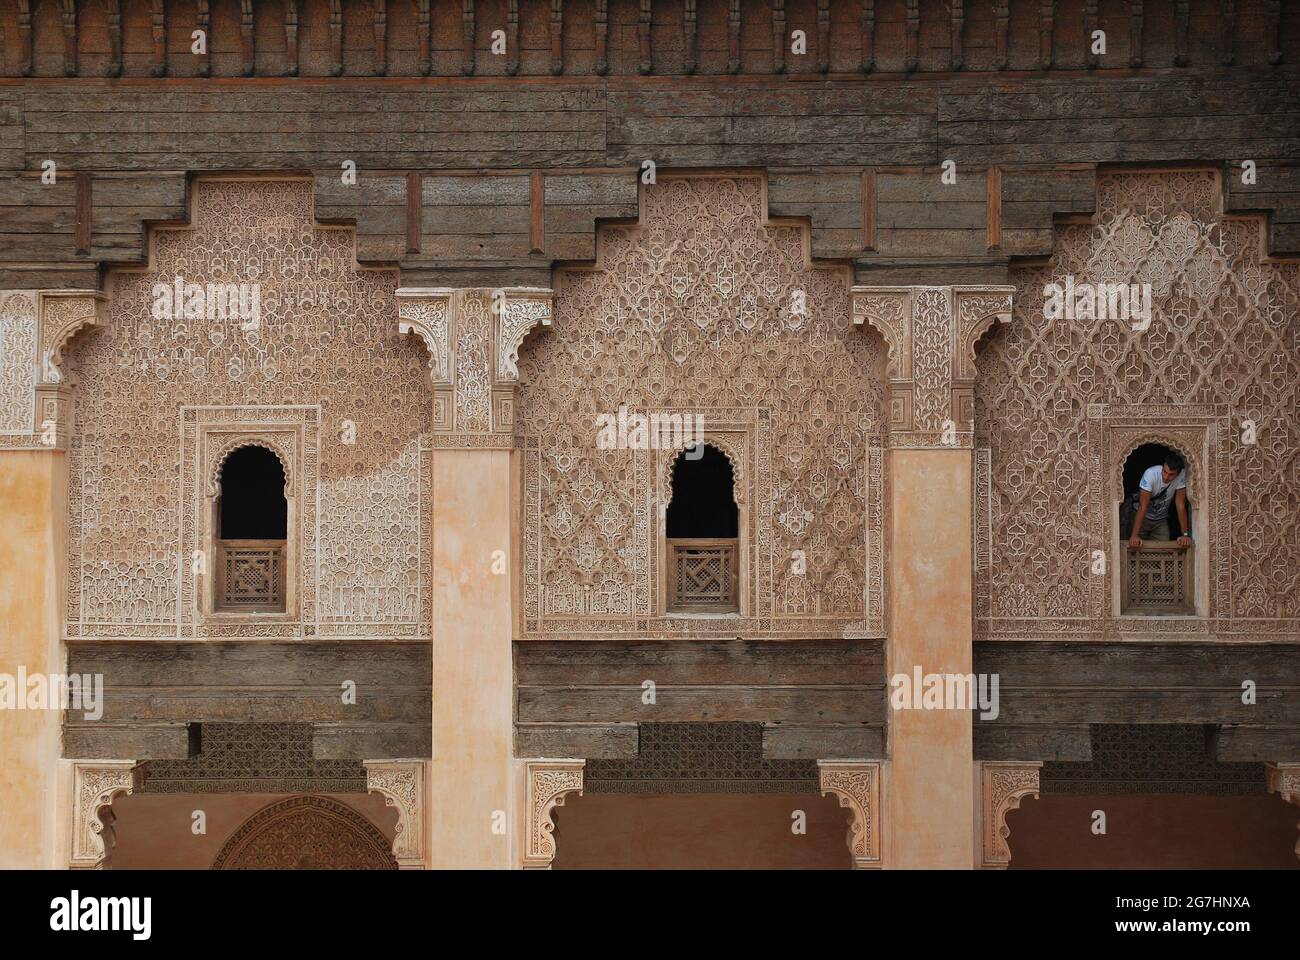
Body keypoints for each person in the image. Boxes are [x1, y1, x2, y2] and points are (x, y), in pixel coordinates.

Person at [1127, 452, 1193, 548]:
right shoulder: (1151, 474)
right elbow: (1143, 506)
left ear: (1178, 473)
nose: (1166, 477)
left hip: (1160, 521)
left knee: (1164, 550)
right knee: (1136, 549)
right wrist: (1134, 535)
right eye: (1164, 472)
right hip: (1142, 518)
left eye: (1171, 475)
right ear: (1162, 467)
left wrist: (1185, 535)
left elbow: (1180, 505)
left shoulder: (1182, 475)